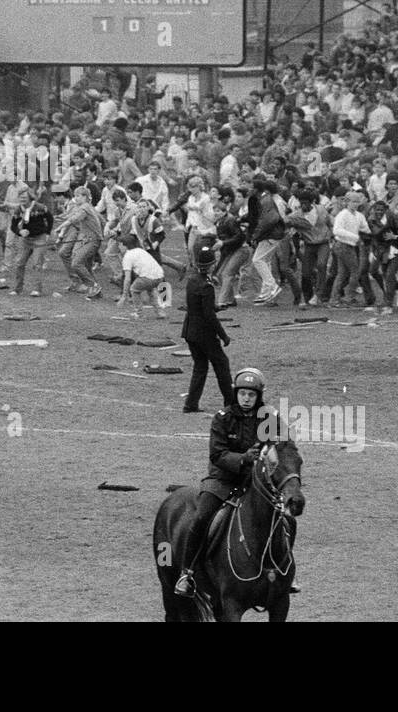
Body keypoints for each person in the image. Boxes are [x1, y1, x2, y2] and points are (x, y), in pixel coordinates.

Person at [173, 368, 287, 599]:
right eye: (242, 393)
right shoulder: (222, 418)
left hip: (255, 483)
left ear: (259, 396)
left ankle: (286, 570)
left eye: (251, 395)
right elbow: (217, 455)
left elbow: (282, 446)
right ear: (236, 393)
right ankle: (188, 573)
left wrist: (269, 453)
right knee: (201, 517)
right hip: (222, 480)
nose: (246, 399)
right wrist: (244, 458)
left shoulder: (270, 418)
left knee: (286, 519)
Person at [181, 243, 233, 414]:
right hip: (204, 334)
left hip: (190, 331)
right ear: (211, 265)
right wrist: (224, 335)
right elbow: (209, 315)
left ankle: (191, 404)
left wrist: (216, 306)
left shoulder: (193, 280)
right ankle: (230, 403)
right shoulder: (207, 286)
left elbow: (197, 305)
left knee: (200, 367)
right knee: (221, 365)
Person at [116, 233, 167, 319]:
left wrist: (124, 296)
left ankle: (139, 314)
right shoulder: (140, 250)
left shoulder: (127, 256)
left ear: (124, 245)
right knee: (150, 289)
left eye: (119, 244)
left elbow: (127, 279)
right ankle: (160, 312)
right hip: (160, 276)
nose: (118, 247)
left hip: (148, 278)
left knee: (134, 289)